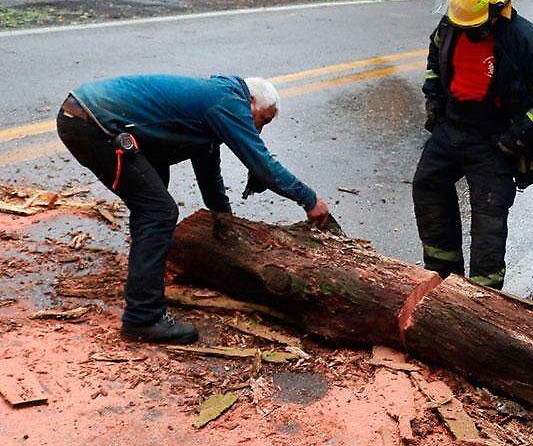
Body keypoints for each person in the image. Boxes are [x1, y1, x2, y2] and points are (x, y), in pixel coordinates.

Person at [57, 75, 329, 344]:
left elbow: (209, 175)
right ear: (252, 101)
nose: (258, 129)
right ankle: (143, 318)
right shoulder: (227, 102)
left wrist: (226, 223)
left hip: (87, 115)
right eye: (263, 119)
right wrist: (309, 200)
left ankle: (145, 287)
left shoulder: (213, 105)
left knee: (152, 201)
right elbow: (262, 164)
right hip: (94, 123)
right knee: (158, 211)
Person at [414, 0, 533, 290]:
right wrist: (434, 105)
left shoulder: (527, 41)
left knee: (488, 219)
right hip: (452, 126)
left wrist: (515, 138)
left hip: (494, 139)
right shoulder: (451, 26)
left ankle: (482, 297)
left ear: (495, 11)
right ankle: (442, 276)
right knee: (428, 185)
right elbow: (434, 65)